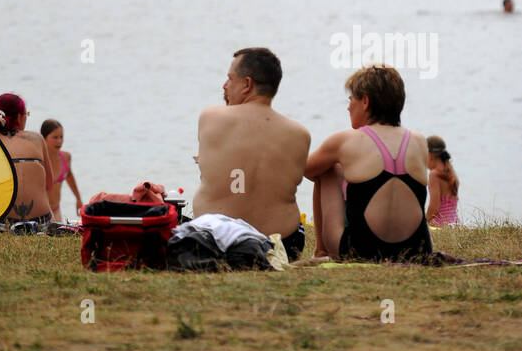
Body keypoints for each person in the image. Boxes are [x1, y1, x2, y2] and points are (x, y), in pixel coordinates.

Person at [192, 47, 310, 259]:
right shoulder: (300, 134)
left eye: (230, 79)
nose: (225, 85)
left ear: (247, 84)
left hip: (215, 241)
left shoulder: (210, 117)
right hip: (282, 245)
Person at [305, 65, 431, 262]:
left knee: (328, 169)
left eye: (350, 100)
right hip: (417, 251)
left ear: (365, 101)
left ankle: (321, 252)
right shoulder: (419, 141)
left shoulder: (344, 140)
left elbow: (306, 170)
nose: (348, 107)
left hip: (359, 252)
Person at [0, 94, 54, 227]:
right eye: (26, 114)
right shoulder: (37, 139)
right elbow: (49, 183)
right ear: (19, 117)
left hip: (3, 224)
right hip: (42, 222)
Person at [40, 119, 83, 222]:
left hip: (56, 210)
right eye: (55, 137)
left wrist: (78, 199)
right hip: (40, 212)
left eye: (61, 137)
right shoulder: (38, 159)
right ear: (43, 138)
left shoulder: (66, 157)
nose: (59, 141)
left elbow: (69, 175)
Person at [426, 135, 459, 226]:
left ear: (429, 156)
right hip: (455, 222)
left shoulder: (434, 175)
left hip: (440, 224)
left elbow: (434, 207)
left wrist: (425, 221)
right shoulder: (450, 171)